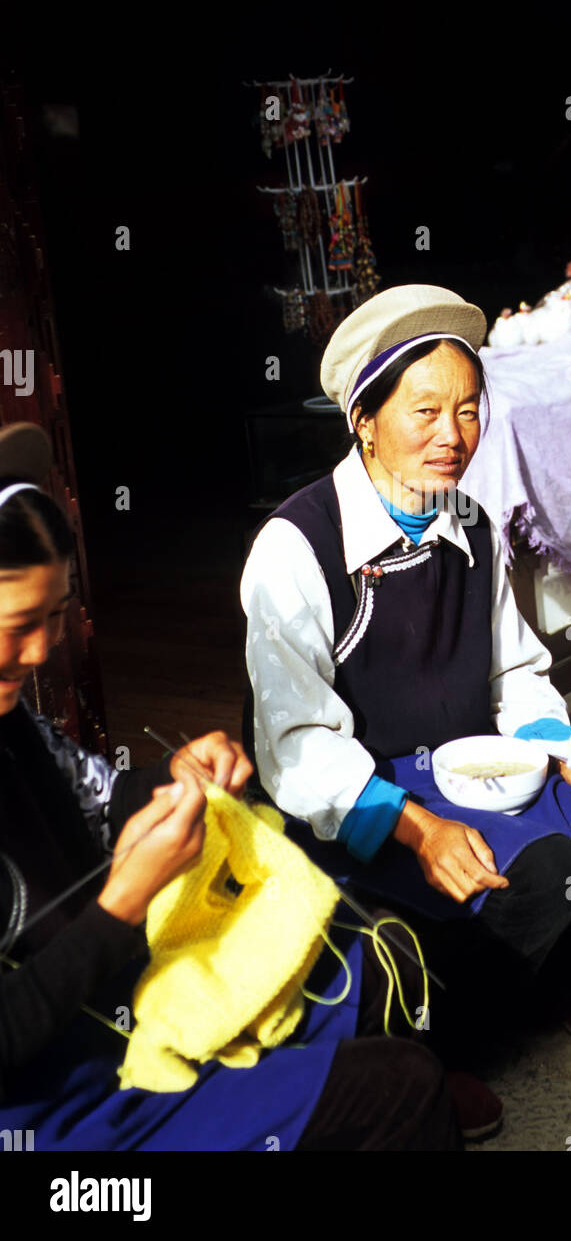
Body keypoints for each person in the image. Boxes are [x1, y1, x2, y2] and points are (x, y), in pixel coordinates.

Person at [0, 422, 462, 1151]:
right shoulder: (301, 542)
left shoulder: (14, 725)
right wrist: (121, 906)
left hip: (105, 1008)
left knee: (374, 957)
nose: (39, 651)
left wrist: (171, 775)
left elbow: (97, 801)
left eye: (55, 619)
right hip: (48, 1113)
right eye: (19, 624)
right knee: (404, 1088)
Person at [241, 284, 571, 1057]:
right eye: (425, 412)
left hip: (475, 773)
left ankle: (566, 981)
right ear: (364, 421)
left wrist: (557, 749)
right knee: (540, 877)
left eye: (469, 409)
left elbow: (516, 670)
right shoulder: (297, 546)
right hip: (371, 800)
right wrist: (417, 826)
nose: (454, 436)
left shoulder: (469, 520)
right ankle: (442, 1046)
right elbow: (295, 745)